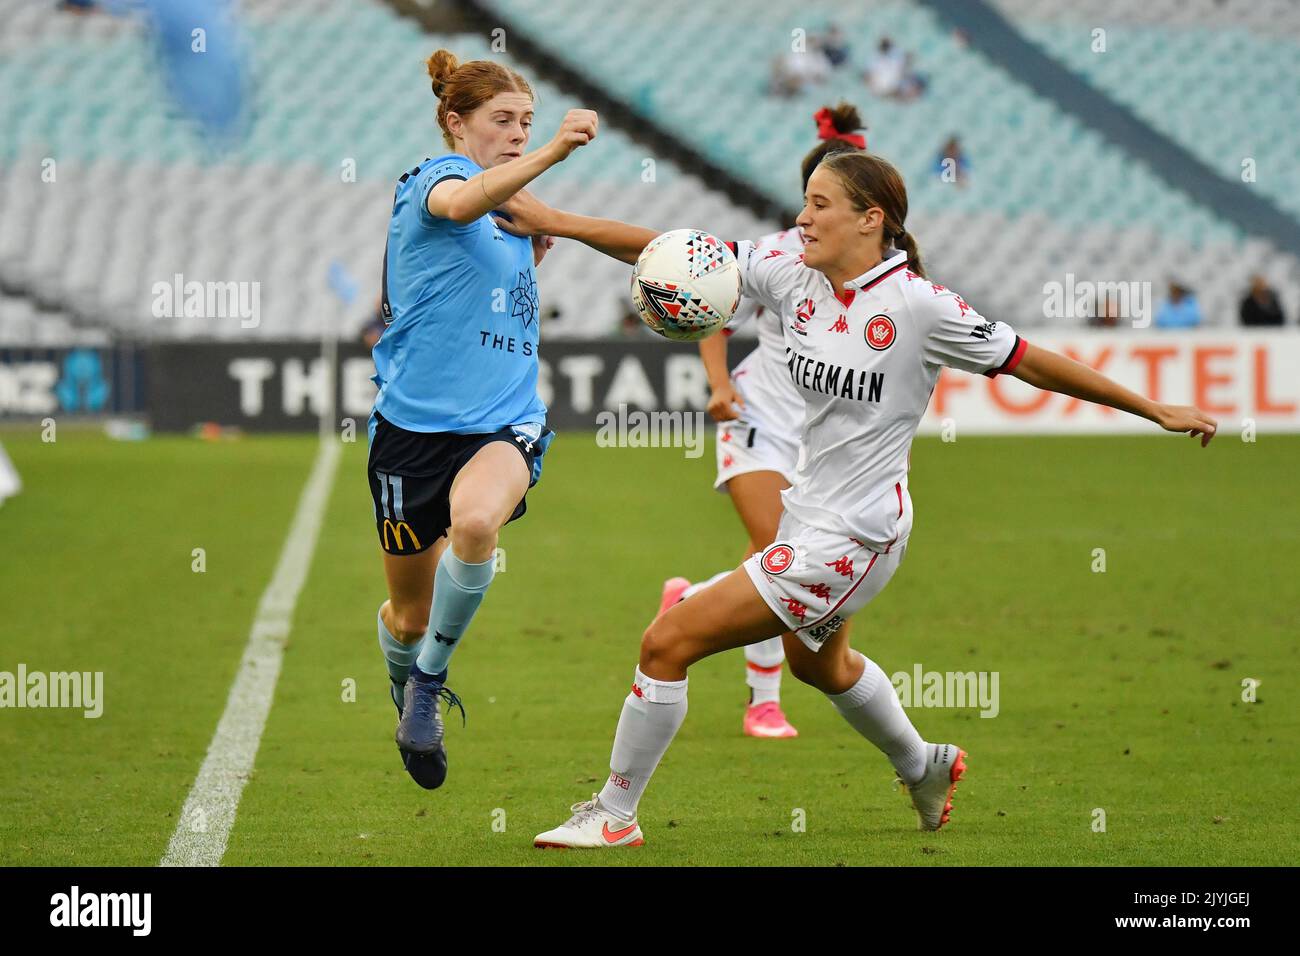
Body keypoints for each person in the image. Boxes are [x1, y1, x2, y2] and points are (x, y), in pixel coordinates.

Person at [494, 152, 1218, 849]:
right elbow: (675, 251)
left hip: (851, 538)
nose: (801, 219)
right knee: (817, 667)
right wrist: (559, 219)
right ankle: (924, 766)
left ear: (870, 219)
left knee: (667, 641)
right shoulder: (789, 273)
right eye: (804, 203)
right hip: (818, 515)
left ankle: (615, 813)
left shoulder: (921, 308)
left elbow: (1030, 361)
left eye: (819, 205)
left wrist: (1152, 407)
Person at [369, 48, 592, 789]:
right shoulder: (435, 179)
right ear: (455, 123)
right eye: (503, 121)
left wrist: (536, 244)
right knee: (407, 614)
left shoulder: (515, 216)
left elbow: (491, 299)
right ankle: (407, 677)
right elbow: (461, 207)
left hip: (503, 424)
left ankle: (429, 684)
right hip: (410, 434)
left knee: (475, 527)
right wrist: (558, 150)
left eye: (527, 123)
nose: (519, 133)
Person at [665, 102, 867, 740]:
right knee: (780, 553)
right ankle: (763, 702)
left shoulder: (883, 274)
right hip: (758, 421)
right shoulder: (779, 256)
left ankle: (692, 599)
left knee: (782, 558)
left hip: (822, 446)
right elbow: (711, 314)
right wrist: (720, 387)